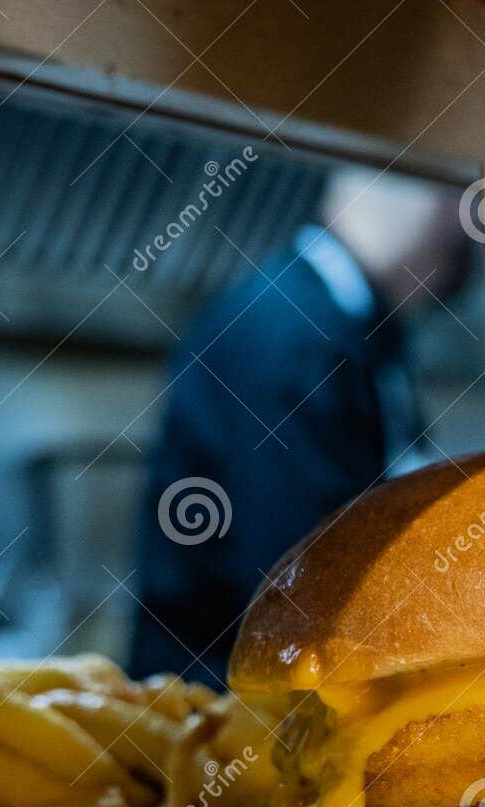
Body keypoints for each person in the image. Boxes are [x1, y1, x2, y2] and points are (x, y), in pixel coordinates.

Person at [130, 168, 460, 687]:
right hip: (219, 718)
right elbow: (305, 588)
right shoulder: (288, 336)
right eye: (459, 196)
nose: (467, 232)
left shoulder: (354, 330)